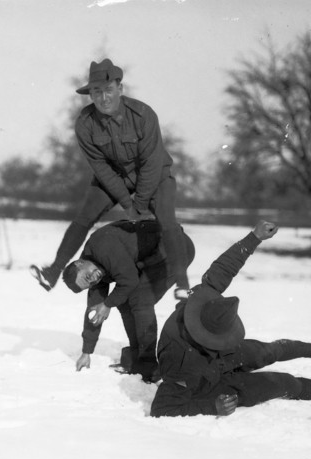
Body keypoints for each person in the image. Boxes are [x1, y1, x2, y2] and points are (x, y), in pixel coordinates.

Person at [150, 220, 311, 418]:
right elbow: (162, 408)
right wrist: (211, 406)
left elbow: (223, 268)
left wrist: (254, 237)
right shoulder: (183, 368)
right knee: (283, 383)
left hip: (213, 356)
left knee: (268, 351)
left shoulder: (202, 302)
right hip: (208, 382)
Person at [32, 58, 191, 300]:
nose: (103, 98)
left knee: (168, 221)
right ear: (90, 95)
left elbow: (151, 163)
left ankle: (183, 283)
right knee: (84, 217)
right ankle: (54, 271)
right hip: (114, 177)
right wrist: (127, 204)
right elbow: (101, 168)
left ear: (120, 89)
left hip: (154, 175)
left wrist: (139, 205)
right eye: (97, 92)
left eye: (108, 90)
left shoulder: (144, 114)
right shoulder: (84, 123)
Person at [62, 219, 195, 382]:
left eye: (87, 276)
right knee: (124, 301)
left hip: (176, 249)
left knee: (141, 299)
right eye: (89, 283)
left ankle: (149, 366)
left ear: (80, 262)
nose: (93, 279)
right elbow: (93, 313)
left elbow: (129, 280)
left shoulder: (101, 246)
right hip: (154, 257)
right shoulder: (95, 273)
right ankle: (137, 357)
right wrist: (86, 352)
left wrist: (108, 303)